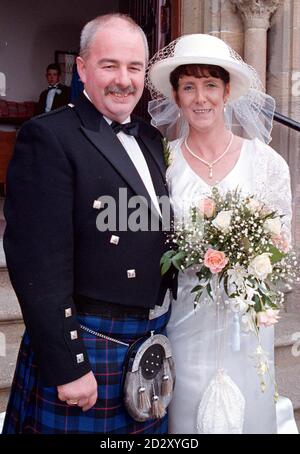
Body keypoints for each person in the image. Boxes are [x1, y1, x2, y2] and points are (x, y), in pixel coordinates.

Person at [2, 14, 176, 434]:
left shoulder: (151, 140)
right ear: (81, 68)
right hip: (90, 342)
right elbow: (36, 264)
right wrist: (68, 365)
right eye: (109, 65)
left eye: (134, 67)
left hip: (148, 339)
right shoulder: (50, 137)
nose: (124, 79)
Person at [147, 34, 296, 434]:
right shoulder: (163, 163)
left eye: (211, 85)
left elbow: (281, 247)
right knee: (185, 417)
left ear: (227, 91)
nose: (201, 98)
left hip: (244, 324)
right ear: (176, 96)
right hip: (184, 320)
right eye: (189, 87)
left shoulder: (267, 163)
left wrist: (246, 259)